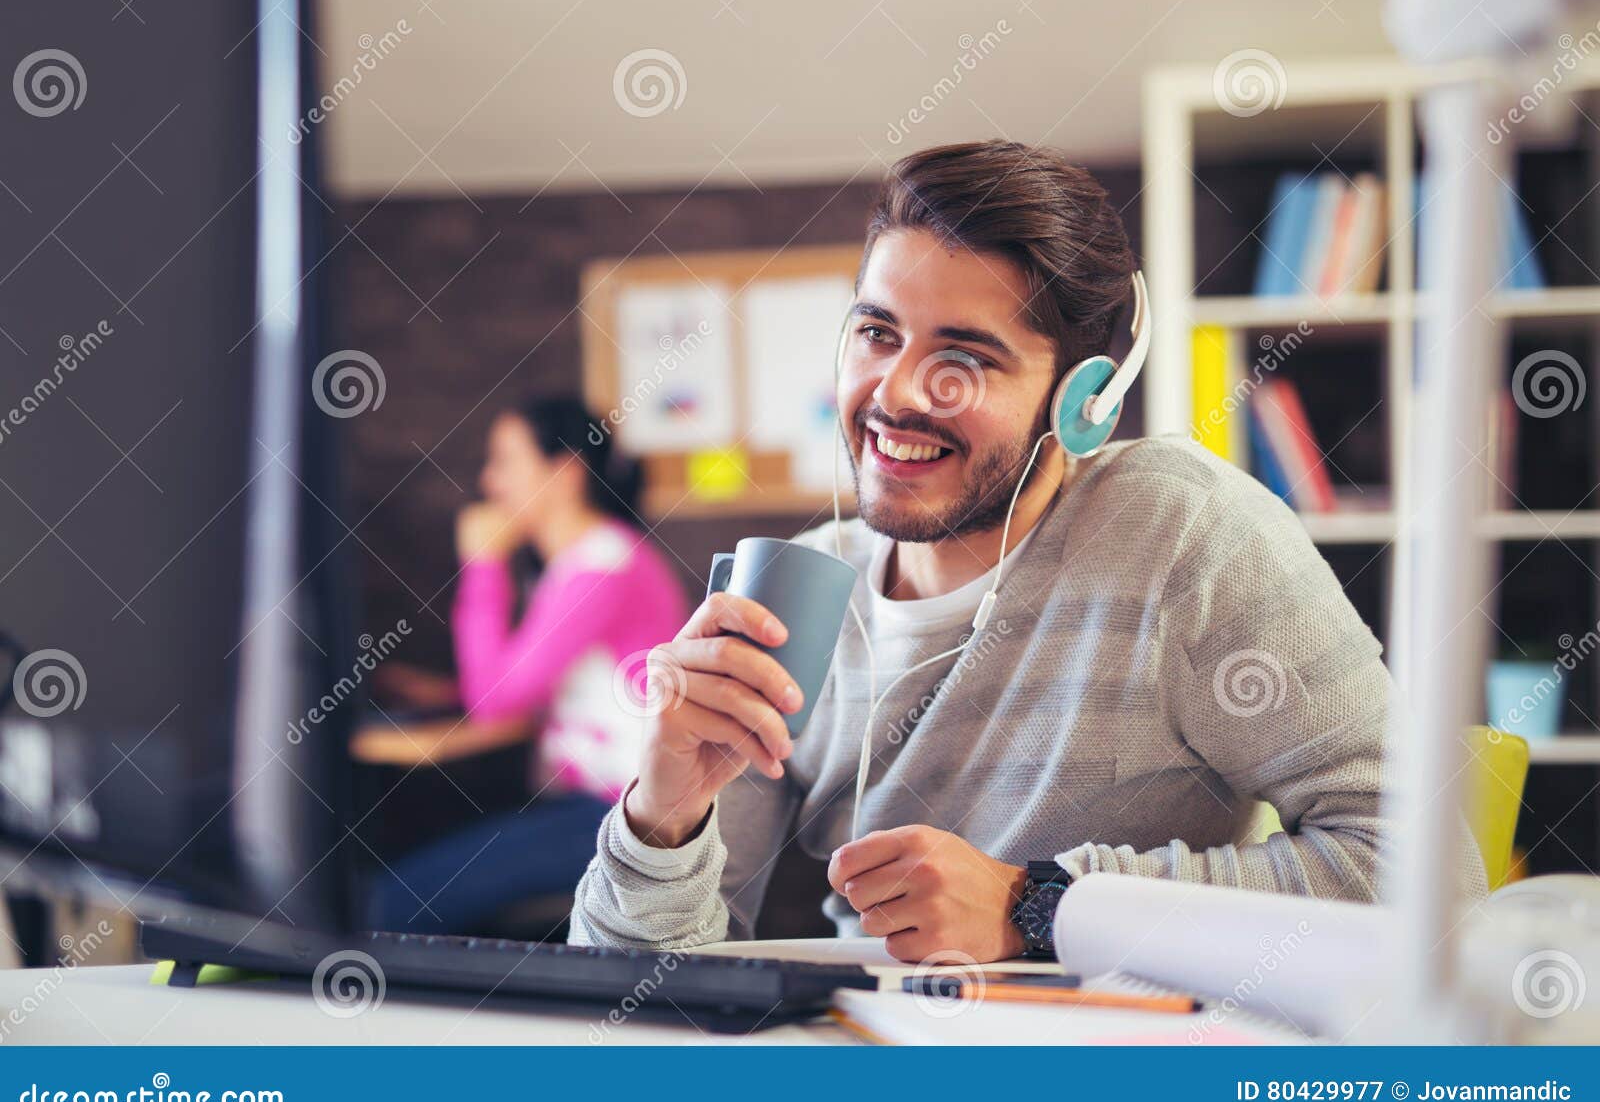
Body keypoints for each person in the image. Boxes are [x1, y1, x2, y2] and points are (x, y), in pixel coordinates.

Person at [570, 140, 1488, 963]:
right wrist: (660, 816)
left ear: (1082, 402)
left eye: (965, 358)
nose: (897, 394)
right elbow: (635, 994)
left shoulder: (1183, 534)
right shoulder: (805, 591)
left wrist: (1043, 906)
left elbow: (1429, 872)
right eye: (878, 332)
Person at [365, 396, 689, 933]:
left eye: (505, 461)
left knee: (388, 904)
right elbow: (543, 685)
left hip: (620, 816)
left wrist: (484, 564)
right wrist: (446, 693)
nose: (489, 482)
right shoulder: (587, 560)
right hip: (597, 806)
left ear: (564, 472)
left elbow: (495, 703)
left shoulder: (602, 565)